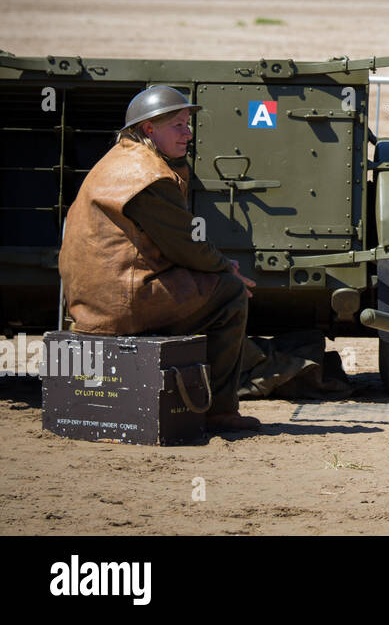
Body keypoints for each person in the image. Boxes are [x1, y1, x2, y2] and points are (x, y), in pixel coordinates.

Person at [59, 85, 260, 433]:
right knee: (229, 293)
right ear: (149, 129)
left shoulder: (119, 160)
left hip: (91, 304)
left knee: (211, 282)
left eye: (188, 124)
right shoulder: (148, 175)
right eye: (178, 125)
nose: (189, 132)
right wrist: (226, 268)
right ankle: (219, 412)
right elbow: (186, 245)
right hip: (122, 305)